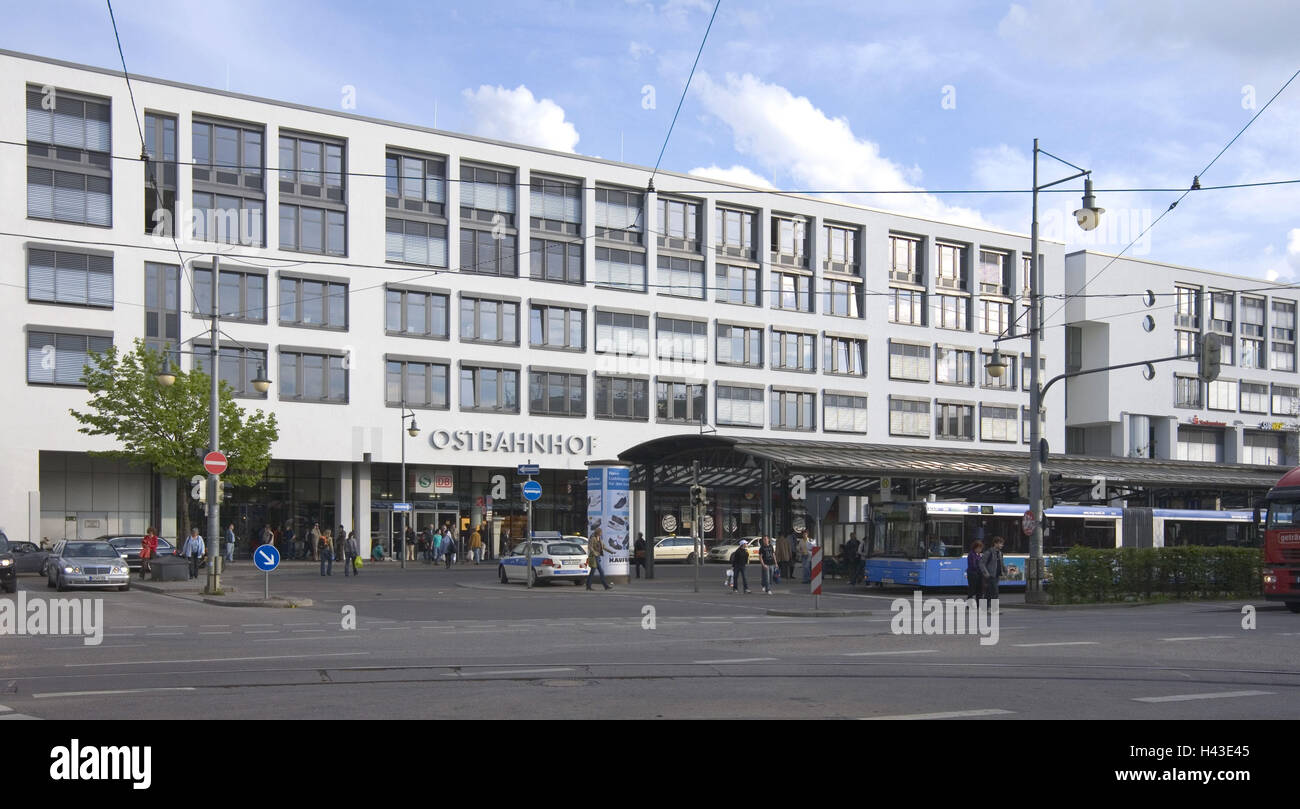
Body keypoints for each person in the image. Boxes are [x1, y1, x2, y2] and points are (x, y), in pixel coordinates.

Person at [980, 536, 1006, 603]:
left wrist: (1004, 570)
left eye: (1002, 543)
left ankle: (984, 609)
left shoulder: (1000, 553)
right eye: (1000, 543)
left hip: (996, 575)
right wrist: (986, 573)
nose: (1002, 545)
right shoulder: (989, 552)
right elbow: (982, 563)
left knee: (988, 593)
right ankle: (994, 610)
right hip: (990, 576)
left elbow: (1001, 563)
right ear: (995, 543)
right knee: (995, 593)